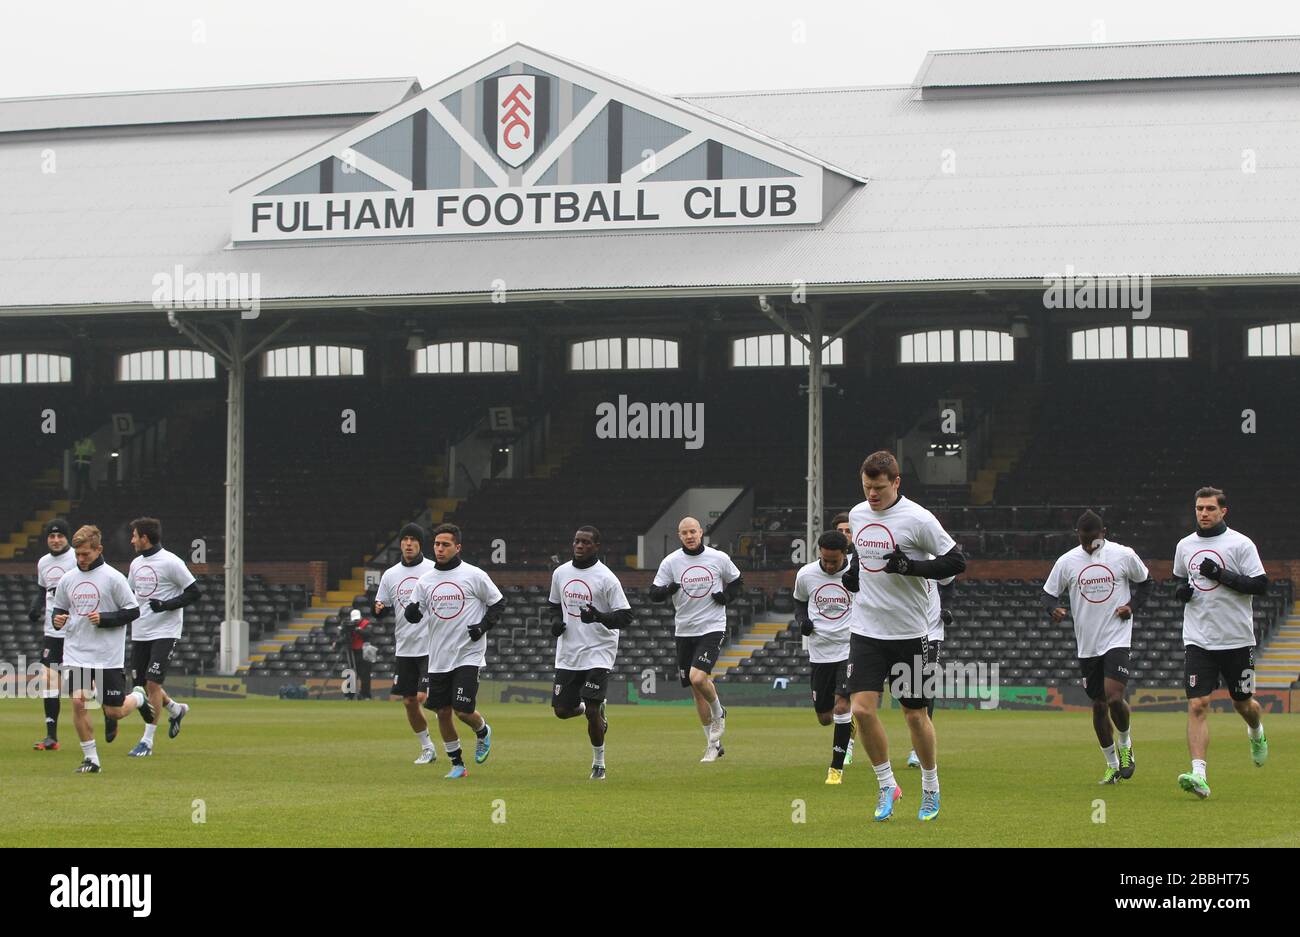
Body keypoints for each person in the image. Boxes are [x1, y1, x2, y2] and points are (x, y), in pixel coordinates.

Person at [847, 451, 965, 822]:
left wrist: (911, 567)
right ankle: (887, 785)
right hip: (865, 629)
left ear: (896, 482)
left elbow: (956, 562)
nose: (872, 495)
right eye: (867, 488)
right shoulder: (857, 514)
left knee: (915, 715)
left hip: (911, 634)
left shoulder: (918, 519)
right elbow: (861, 553)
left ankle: (931, 787)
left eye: (879, 488)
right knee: (862, 710)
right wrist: (853, 571)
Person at [1173, 487, 1269, 799]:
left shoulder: (1241, 544)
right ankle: (1198, 774)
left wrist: (1222, 574)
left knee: (1243, 703)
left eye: (1210, 509)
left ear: (1223, 511)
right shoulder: (1185, 546)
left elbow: (1260, 585)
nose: (1203, 513)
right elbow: (1179, 580)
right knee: (1198, 704)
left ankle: (1255, 731)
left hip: (1237, 639)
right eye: (1199, 508)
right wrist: (1181, 593)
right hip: (1198, 639)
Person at [1042, 510, 1151, 784]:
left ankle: (1126, 745)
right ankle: (1111, 765)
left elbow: (1146, 583)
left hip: (1116, 638)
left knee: (1114, 696)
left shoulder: (1123, 555)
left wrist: (1132, 606)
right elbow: (1047, 594)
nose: (1089, 544)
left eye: (1093, 538)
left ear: (1103, 533)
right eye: (1084, 539)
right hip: (1087, 645)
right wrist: (1052, 609)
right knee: (1099, 705)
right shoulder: (1067, 561)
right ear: (1078, 536)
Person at [404, 523, 505, 779]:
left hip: (467, 654)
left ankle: (482, 731)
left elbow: (498, 603)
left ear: (457, 547)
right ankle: (457, 765)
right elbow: (416, 613)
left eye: (445, 544)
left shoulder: (474, 575)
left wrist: (482, 627)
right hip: (438, 656)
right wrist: (411, 613)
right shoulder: (425, 581)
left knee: (462, 709)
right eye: (437, 544)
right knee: (442, 711)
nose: (439, 548)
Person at [50, 525, 149, 773]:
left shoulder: (114, 578)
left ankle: (138, 698)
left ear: (99, 549)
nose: (81, 559)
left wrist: (105, 619)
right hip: (76, 651)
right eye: (78, 554)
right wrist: (58, 619)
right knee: (78, 701)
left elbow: (133, 611)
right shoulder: (68, 579)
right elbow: (59, 609)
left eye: (86, 554)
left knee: (114, 712)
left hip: (107, 656)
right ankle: (91, 759)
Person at [650, 516, 743, 763]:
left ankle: (719, 712)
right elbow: (654, 593)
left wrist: (726, 597)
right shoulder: (671, 562)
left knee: (698, 676)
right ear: (679, 536)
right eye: (684, 533)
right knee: (696, 690)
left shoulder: (718, 558)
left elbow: (737, 582)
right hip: (684, 630)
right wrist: (668, 590)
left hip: (712, 626)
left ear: (701, 532)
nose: (689, 536)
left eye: (693, 531)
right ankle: (713, 745)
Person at [548, 526, 632, 780]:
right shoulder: (561, 573)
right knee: (562, 711)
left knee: (594, 710)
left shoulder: (606, 578)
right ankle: (586, 708)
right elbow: (553, 605)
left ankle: (599, 763)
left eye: (585, 542)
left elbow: (625, 616)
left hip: (599, 651)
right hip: (569, 651)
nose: (579, 546)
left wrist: (598, 616)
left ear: (596, 546)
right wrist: (555, 622)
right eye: (576, 541)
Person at [126, 517, 201, 757]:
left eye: (135, 536)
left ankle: (147, 741)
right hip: (140, 631)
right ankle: (175, 709)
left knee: (153, 683)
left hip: (165, 632)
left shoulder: (171, 562)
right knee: (141, 686)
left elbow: (194, 592)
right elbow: (130, 595)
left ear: (145, 538)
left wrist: (167, 605)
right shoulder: (136, 564)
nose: (132, 540)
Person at [794, 530, 857, 785]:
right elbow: (799, 601)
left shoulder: (856, 573)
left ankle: (836, 769)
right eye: (826, 560)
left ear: (845, 554)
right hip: (820, 651)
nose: (830, 566)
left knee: (842, 705)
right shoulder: (806, 574)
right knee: (824, 717)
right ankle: (847, 724)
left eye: (835, 561)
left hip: (849, 648)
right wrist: (803, 621)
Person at [373, 523, 439, 764]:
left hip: (431, 646)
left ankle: (452, 740)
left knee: (422, 697)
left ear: (420, 543)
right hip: (405, 647)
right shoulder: (390, 575)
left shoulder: (433, 570)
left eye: (413, 539)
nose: (408, 543)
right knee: (409, 701)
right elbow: (381, 605)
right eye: (405, 539)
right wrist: (378, 609)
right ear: (400, 543)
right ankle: (428, 747)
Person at [30, 518, 77, 751]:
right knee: (49, 680)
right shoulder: (43, 562)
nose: (56, 540)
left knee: (85, 686)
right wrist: (35, 607)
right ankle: (51, 736)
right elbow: (43, 590)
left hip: (77, 631)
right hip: (52, 632)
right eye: (51, 536)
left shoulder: (78, 557)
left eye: (60, 536)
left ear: (67, 538)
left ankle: (111, 713)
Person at [906, 575, 955, 769]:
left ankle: (917, 749)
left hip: (931, 632)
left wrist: (947, 607)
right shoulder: (900, 557)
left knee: (925, 689)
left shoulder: (935, 559)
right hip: (901, 630)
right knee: (907, 692)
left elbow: (949, 582)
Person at [332, 610, 374, 700]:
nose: (356, 622)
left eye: (357, 620)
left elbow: (368, 634)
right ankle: (349, 695)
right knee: (350, 673)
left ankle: (365, 695)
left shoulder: (366, 624)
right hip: (353, 651)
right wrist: (337, 641)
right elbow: (343, 636)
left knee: (365, 675)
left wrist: (357, 630)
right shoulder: (347, 624)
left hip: (365, 651)